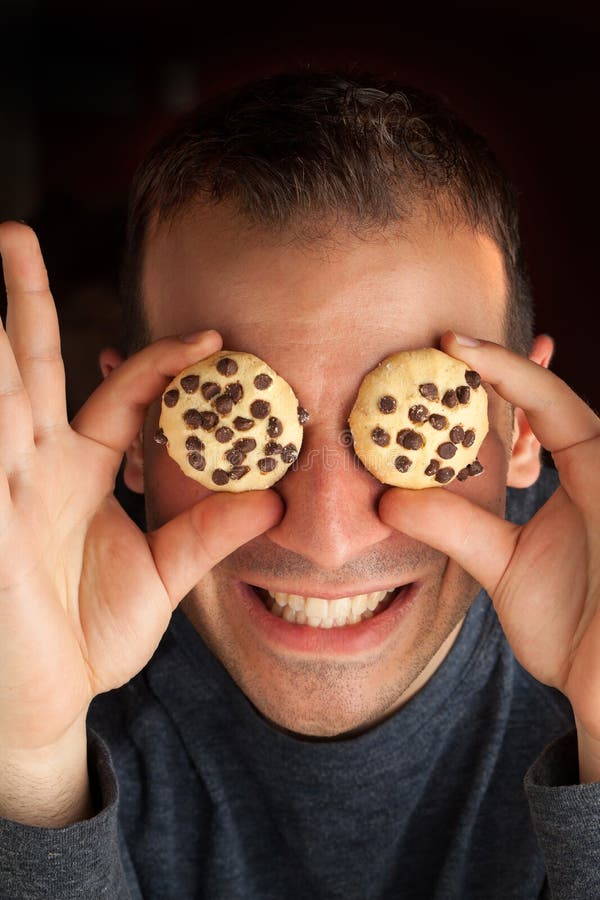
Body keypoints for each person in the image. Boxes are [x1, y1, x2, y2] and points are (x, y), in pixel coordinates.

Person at [0, 69, 598, 900]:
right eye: (233, 429)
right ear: (141, 432)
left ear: (522, 427)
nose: (327, 537)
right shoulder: (24, 649)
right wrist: (31, 771)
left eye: (406, 436)